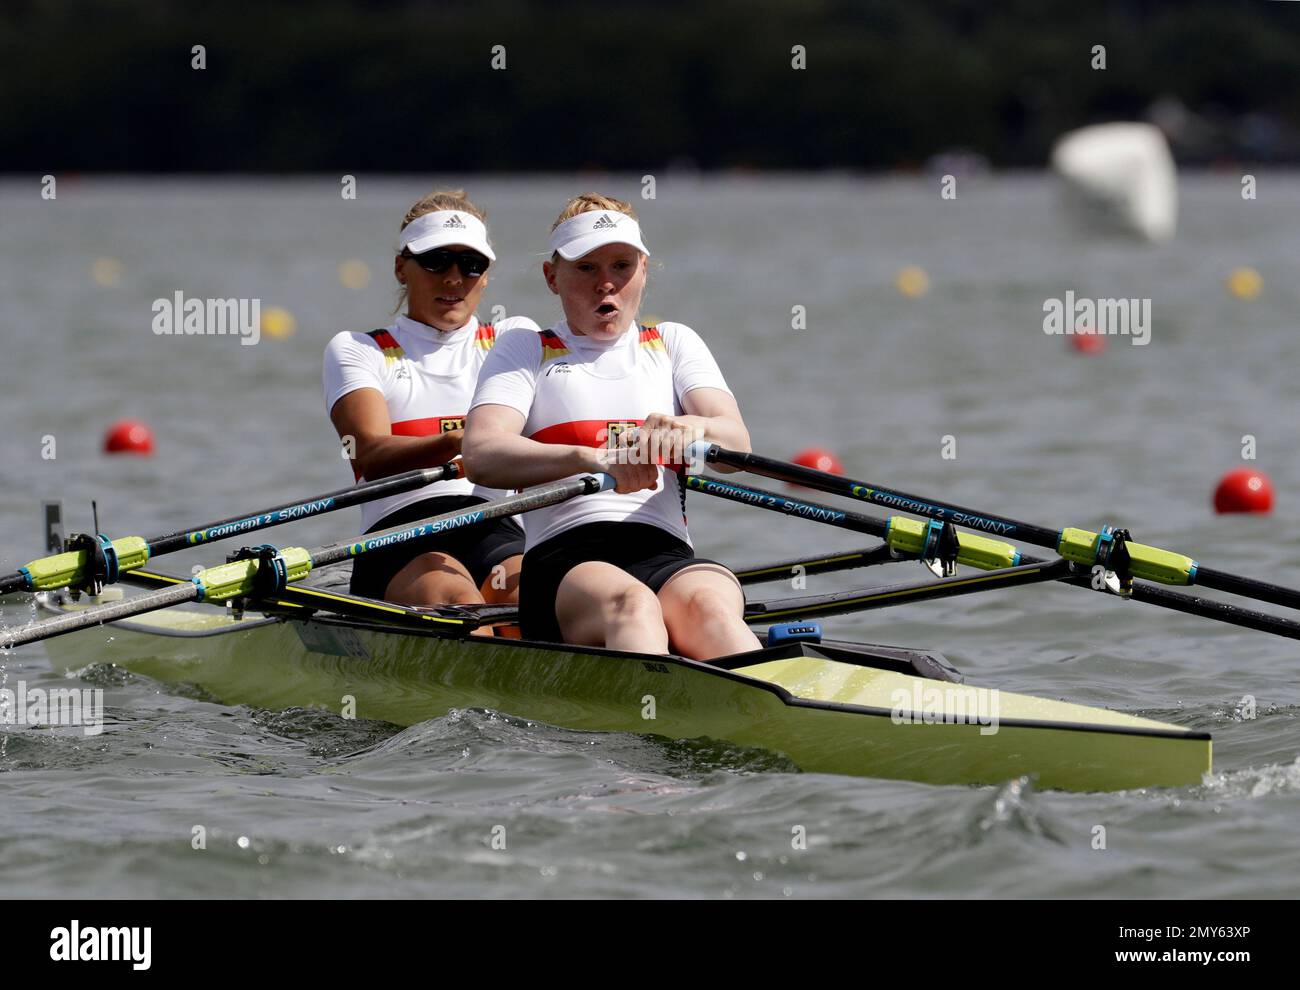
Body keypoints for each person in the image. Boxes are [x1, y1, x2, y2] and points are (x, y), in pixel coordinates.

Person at [462, 193, 761, 659]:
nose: (606, 284)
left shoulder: (673, 343)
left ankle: (776, 719)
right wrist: (592, 459)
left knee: (712, 605)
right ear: (551, 276)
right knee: (633, 604)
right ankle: (649, 725)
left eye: (621, 266)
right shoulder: (526, 348)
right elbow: (481, 455)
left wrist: (690, 429)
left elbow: (737, 447)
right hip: (565, 563)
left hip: (664, 551)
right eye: (586, 268)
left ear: (644, 269)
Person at [322, 190, 537, 606]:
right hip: (400, 535)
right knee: (457, 598)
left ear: (487, 275)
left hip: (495, 527)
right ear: (402, 267)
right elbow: (369, 454)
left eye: (471, 265)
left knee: (531, 598)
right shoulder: (359, 349)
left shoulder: (513, 338)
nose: (454, 278)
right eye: (436, 260)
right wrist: (461, 440)